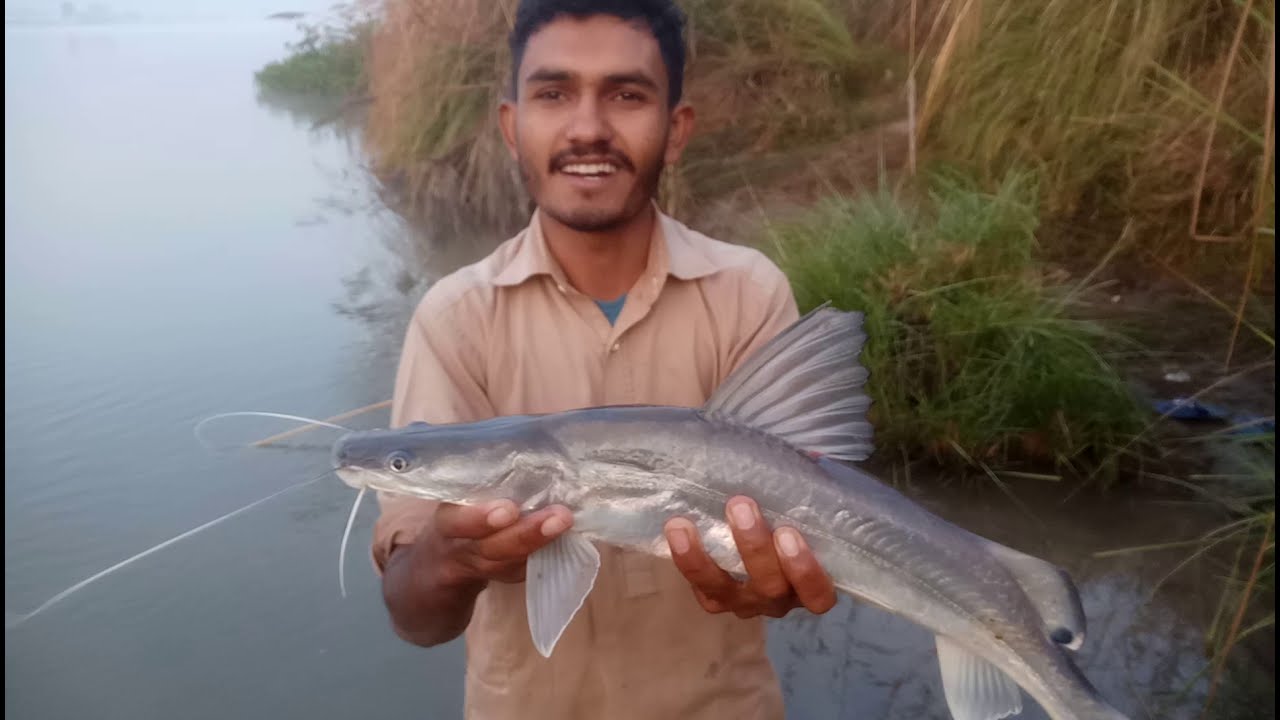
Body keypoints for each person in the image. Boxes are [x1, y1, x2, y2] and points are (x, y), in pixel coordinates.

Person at [371, 1, 837, 717]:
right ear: (512, 126)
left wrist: (778, 580)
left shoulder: (749, 293)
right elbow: (415, 618)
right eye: (554, 94)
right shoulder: (455, 317)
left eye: (626, 94)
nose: (587, 127)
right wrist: (449, 556)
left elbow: (810, 531)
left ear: (676, 129)